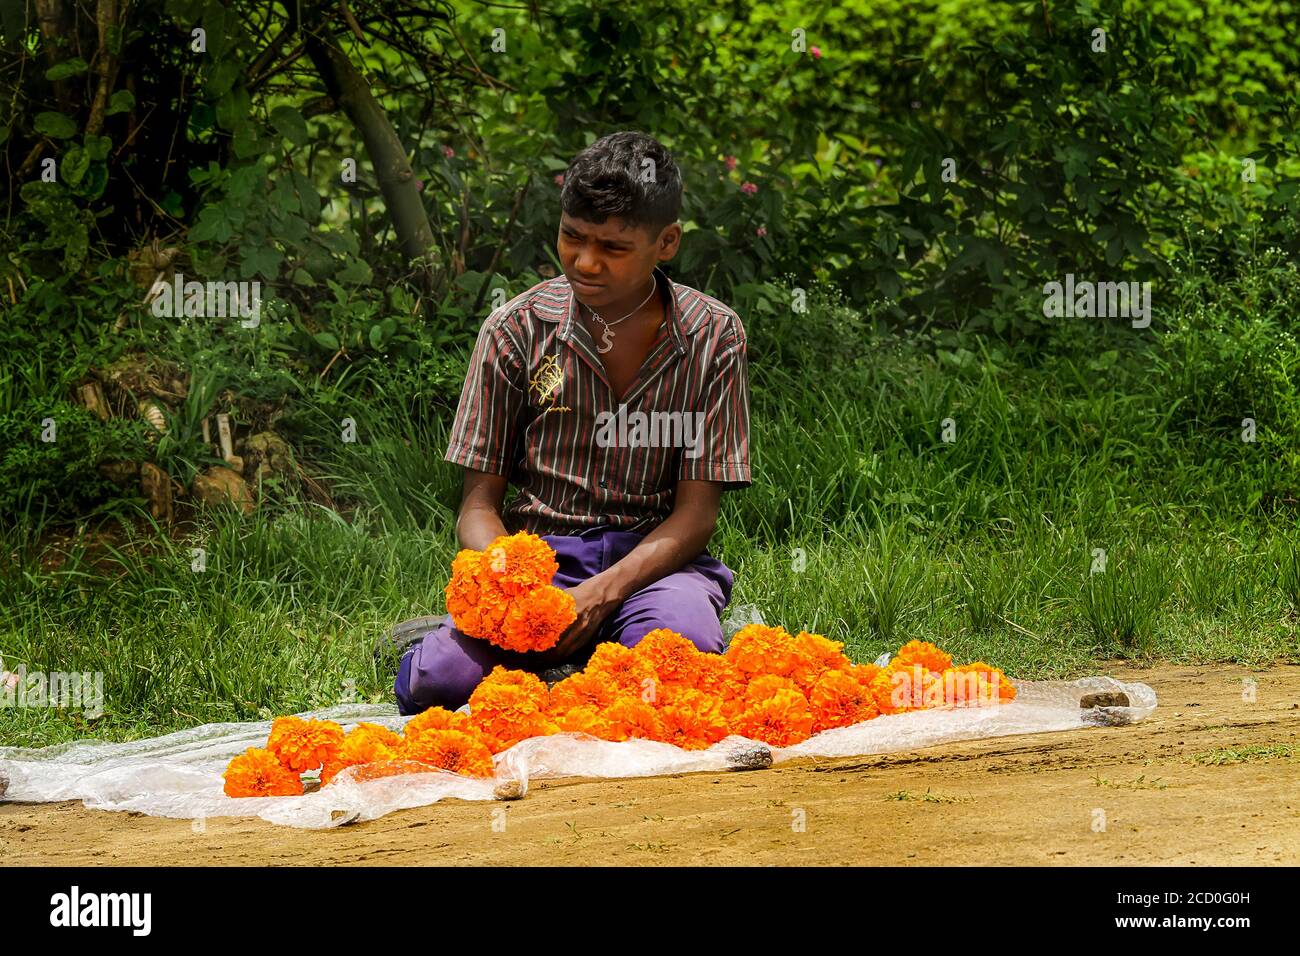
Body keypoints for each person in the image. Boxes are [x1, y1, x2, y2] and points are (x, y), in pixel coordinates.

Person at [391, 130, 751, 715]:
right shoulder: (515, 330)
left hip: (655, 566)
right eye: (572, 238)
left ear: (667, 242)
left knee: (671, 666)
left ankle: (640, 632)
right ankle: (434, 642)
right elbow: (478, 506)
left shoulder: (714, 337)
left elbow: (696, 513)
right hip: (540, 561)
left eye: (613, 247)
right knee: (441, 682)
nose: (585, 262)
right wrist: (521, 590)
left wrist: (605, 594)